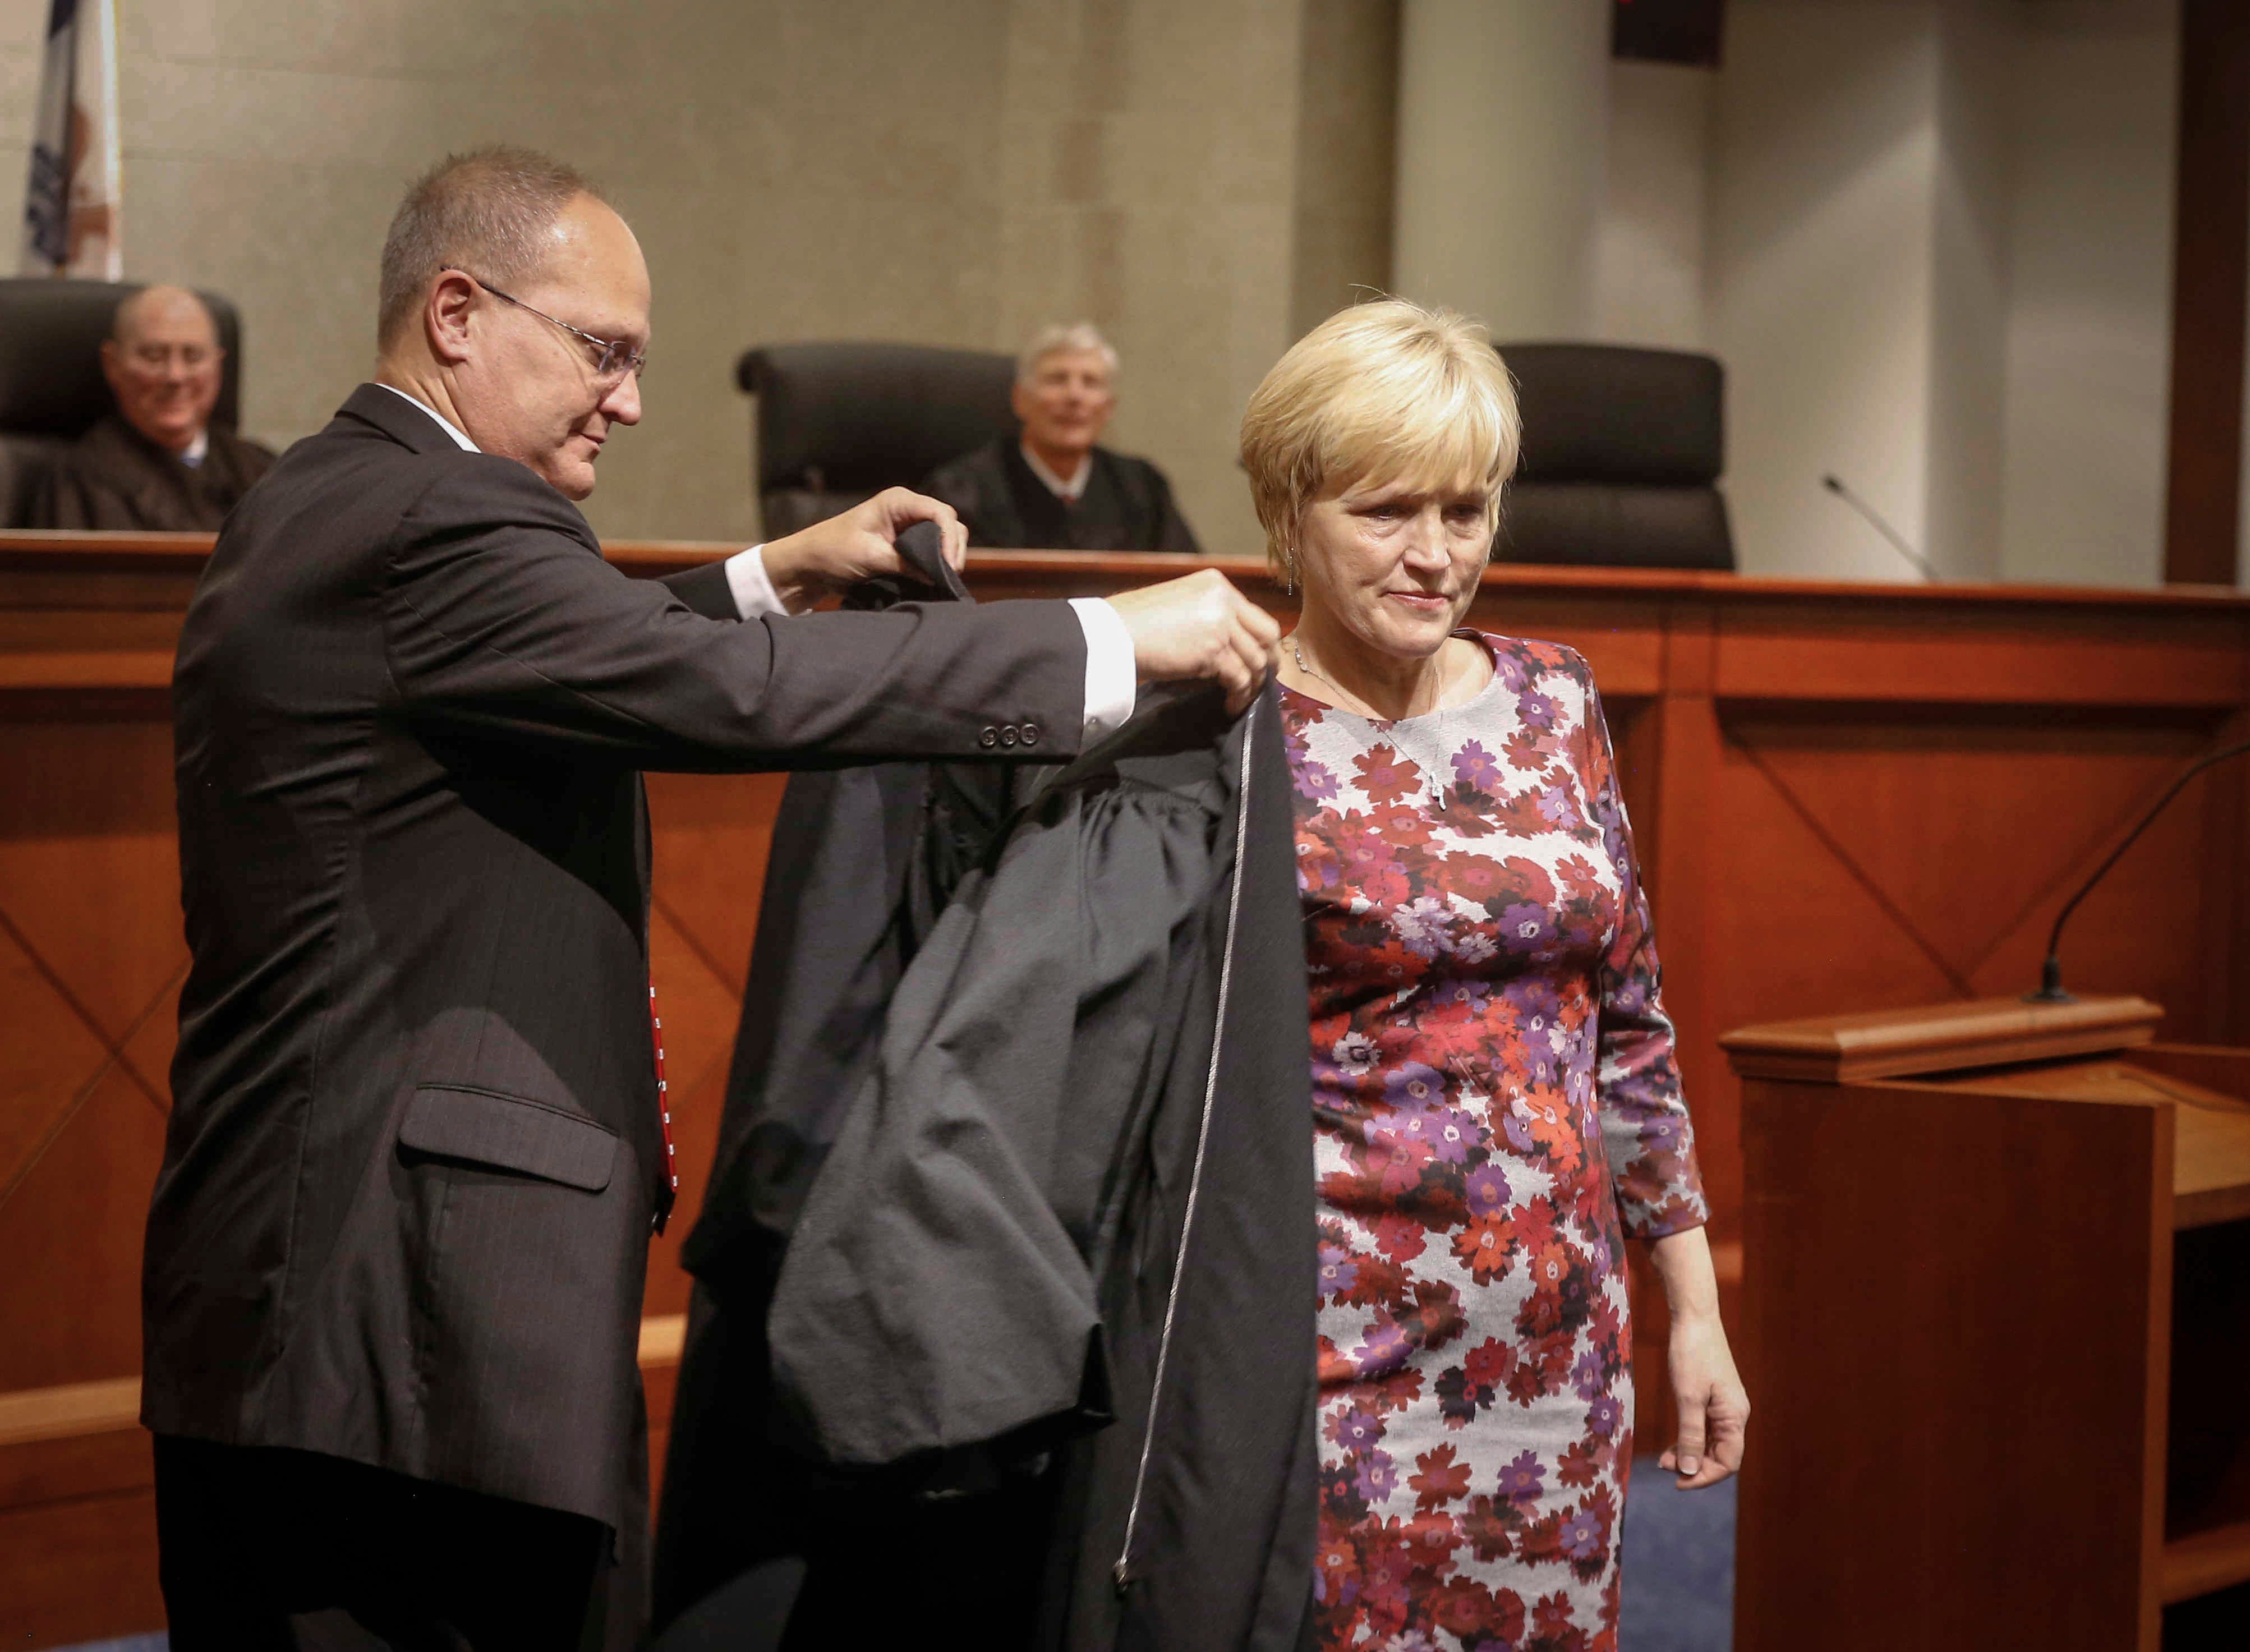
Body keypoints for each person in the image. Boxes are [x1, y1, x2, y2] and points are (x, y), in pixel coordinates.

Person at [141, 146, 1278, 1652]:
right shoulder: (440, 523)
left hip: (310, 1301)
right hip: (391, 1327)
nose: (624, 399)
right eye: (601, 352)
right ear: (461, 313)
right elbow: (713, 697)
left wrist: (768, 575)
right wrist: (1108, 639)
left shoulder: (343, 495)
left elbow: (563, 660)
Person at [1239, 300, 1749, 1650]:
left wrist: (1691, 1308)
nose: (1433, 555)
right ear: (1290, 509)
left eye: (1465, 512)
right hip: (1334, 1350)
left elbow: (1630, 1028)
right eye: (1386, 509)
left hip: (1557, 1345)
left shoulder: (1554, 697)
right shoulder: (1229, 724)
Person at [921, 321, 1201, 551]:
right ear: (1020, 399)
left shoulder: (1142, 488)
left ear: (1108, 407)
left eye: (1090, 382)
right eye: (1057, 379)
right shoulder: (963, 491)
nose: (1074, 396)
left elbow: (1191, 587)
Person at [42, 283, 276, 529]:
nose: (175, 376)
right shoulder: (82, 478)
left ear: (218, 367)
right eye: (154, 356)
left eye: (193, 356)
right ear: (112, 364)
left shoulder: (263, 469)